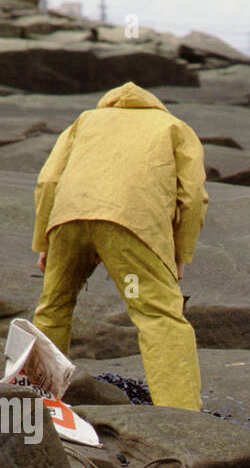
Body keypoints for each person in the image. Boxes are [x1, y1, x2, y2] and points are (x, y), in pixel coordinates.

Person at [30, 81, 208, 411]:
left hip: (69, 217)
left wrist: (45, 240)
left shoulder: (85, 120)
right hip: (133, 223)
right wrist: (180, 254)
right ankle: (181, 414)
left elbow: (49, 180)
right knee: (160, 317)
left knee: (53, 306)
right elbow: (193, 196)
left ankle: (39, 397)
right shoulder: (173, 127)